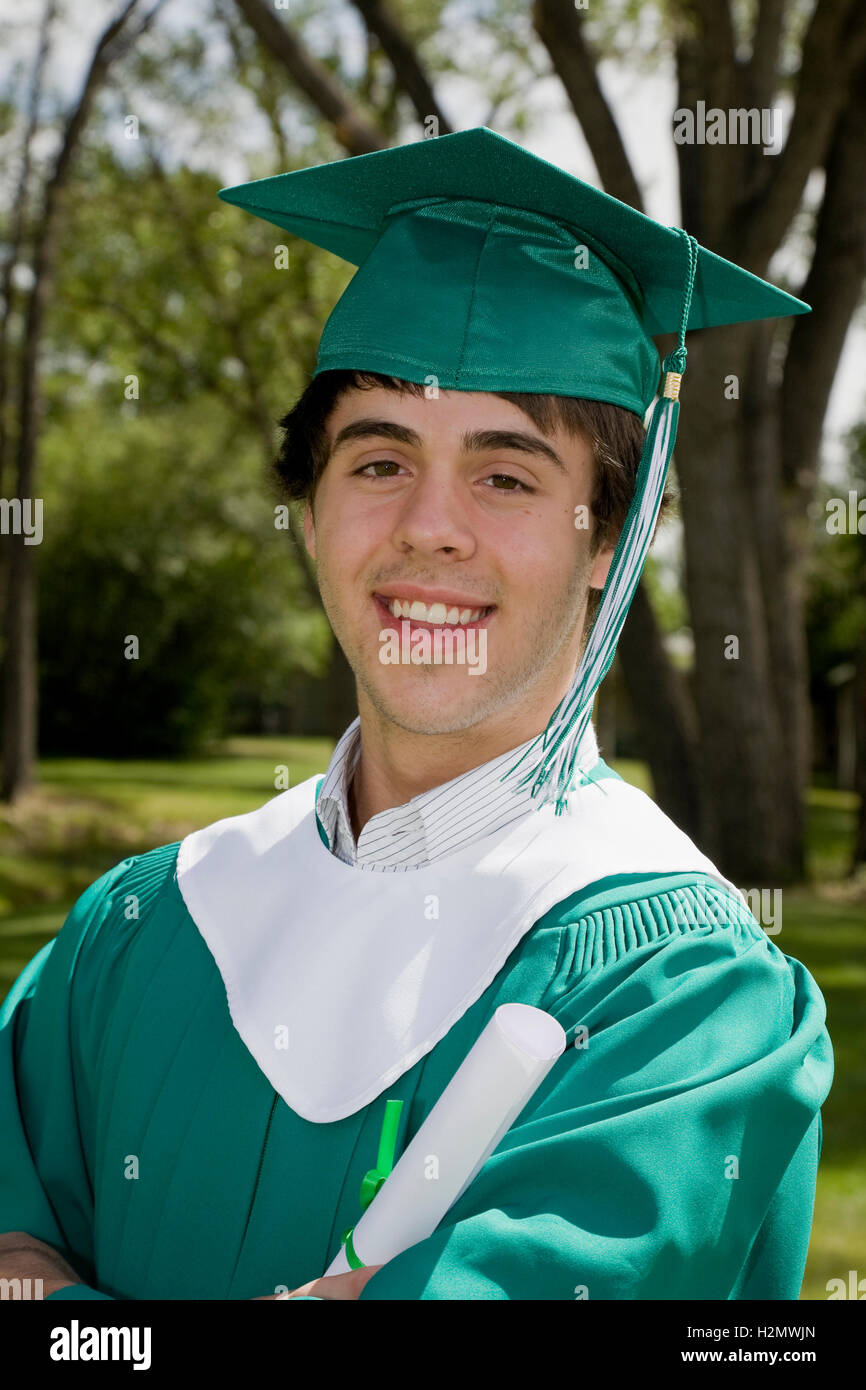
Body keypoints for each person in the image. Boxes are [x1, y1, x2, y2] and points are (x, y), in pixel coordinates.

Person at [0, 127, 832, 1301]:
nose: (429, 528)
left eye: (506, 475)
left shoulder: (681, 1001)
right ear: (309, 507)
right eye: (378, 460)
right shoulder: (139, 926)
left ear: (608, 535)